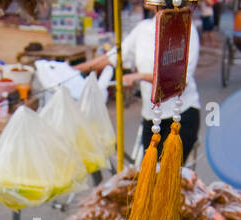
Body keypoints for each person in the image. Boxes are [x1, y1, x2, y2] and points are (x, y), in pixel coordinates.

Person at [77, 13, 201, 160]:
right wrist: (72, 70)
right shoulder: (143, 29)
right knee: (146, 176)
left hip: (181, 117)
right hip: (151, 118)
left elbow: (180, 79)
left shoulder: (187, 30)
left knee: (164, 178)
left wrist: (140, 76)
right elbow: (113, 57)